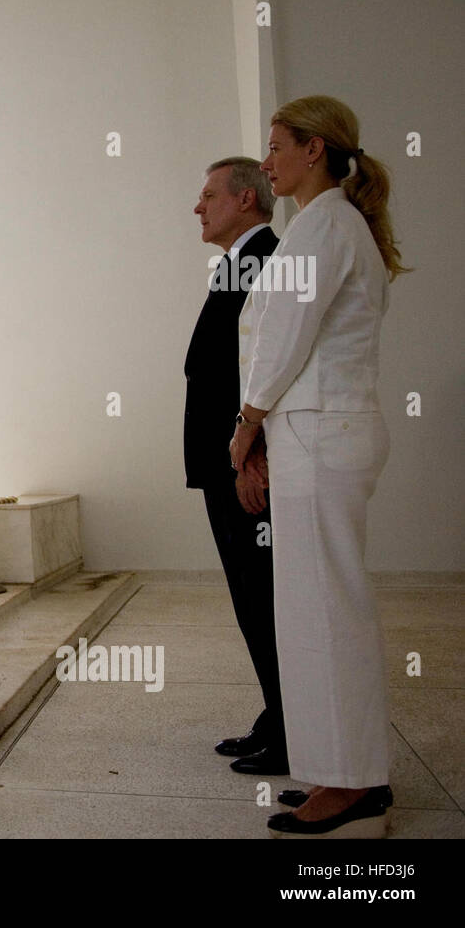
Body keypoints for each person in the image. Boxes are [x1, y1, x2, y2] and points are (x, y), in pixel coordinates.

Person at [230, 95, 408, 838]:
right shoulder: (327, 225)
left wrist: (247, 424)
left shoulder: (324, 225)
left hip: (319, 432)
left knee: (326, 612)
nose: (267, 163)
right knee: (315, 610)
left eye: (276, 148)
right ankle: (341, 770)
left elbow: (284, 337)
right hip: (321, 430)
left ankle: (353, 781)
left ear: (315, 150)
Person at [186, 158, 285, 775]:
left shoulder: (265, 258)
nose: (198, 207)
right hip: (227, 460)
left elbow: (267, 367)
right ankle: (279, 716)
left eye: (208, 195)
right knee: (251, 598)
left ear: (244, 199)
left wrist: (256, 454)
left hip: (243, 465)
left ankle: (292, 727)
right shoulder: (243, 261)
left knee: (264, 597)